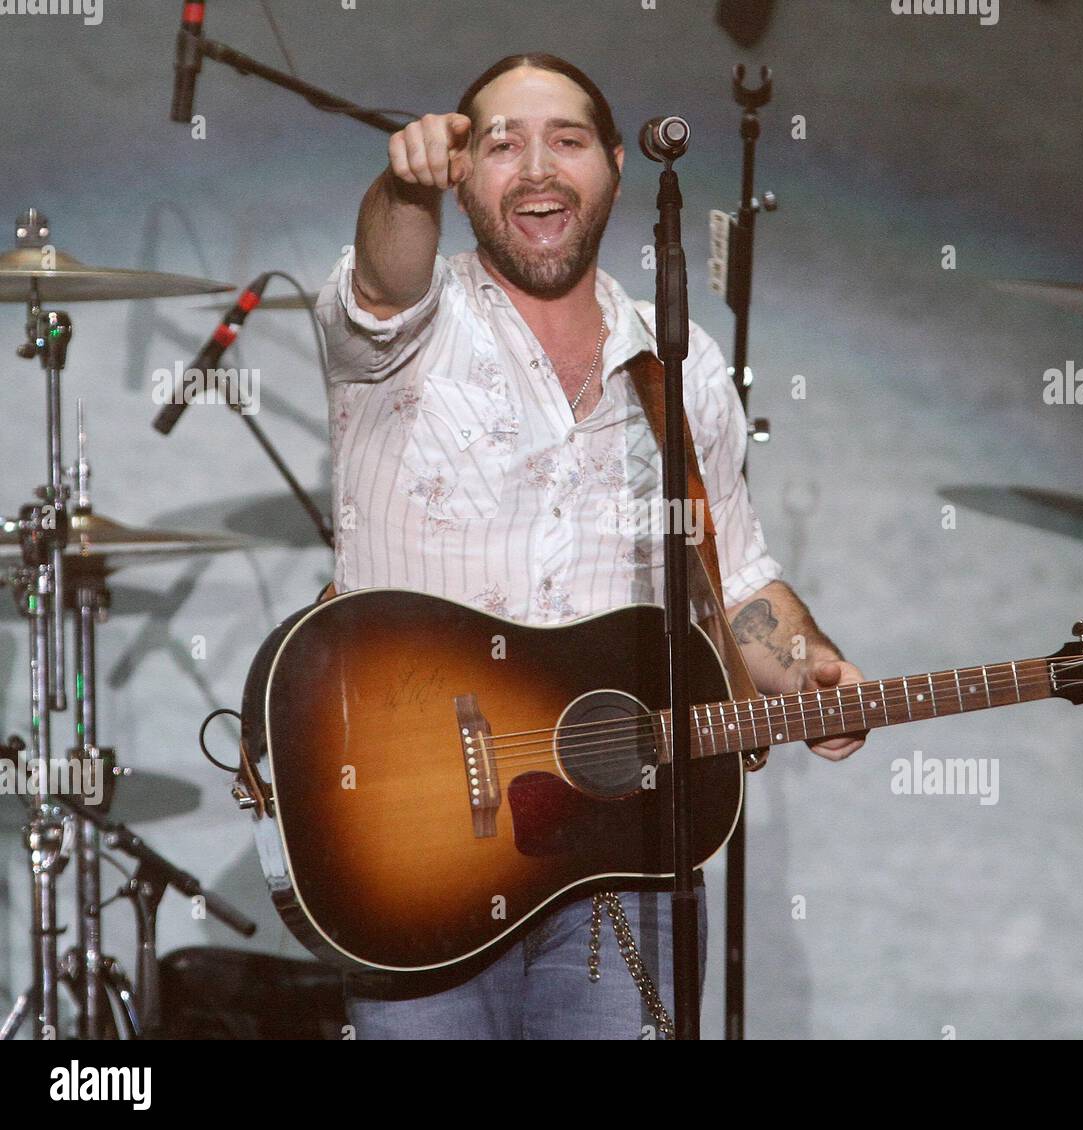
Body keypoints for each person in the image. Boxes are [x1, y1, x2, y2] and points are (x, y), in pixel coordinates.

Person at [315, 52, 866, 1040]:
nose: (535, 169)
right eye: (499, 143)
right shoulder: (404, 328)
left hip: (621, 848)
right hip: (415, 848)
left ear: (615, 164)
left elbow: (734, 573)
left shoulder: (679, 369)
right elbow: (384, 271)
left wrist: (804, 665)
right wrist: (401, 185)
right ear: (459, 173)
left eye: (565, 141)